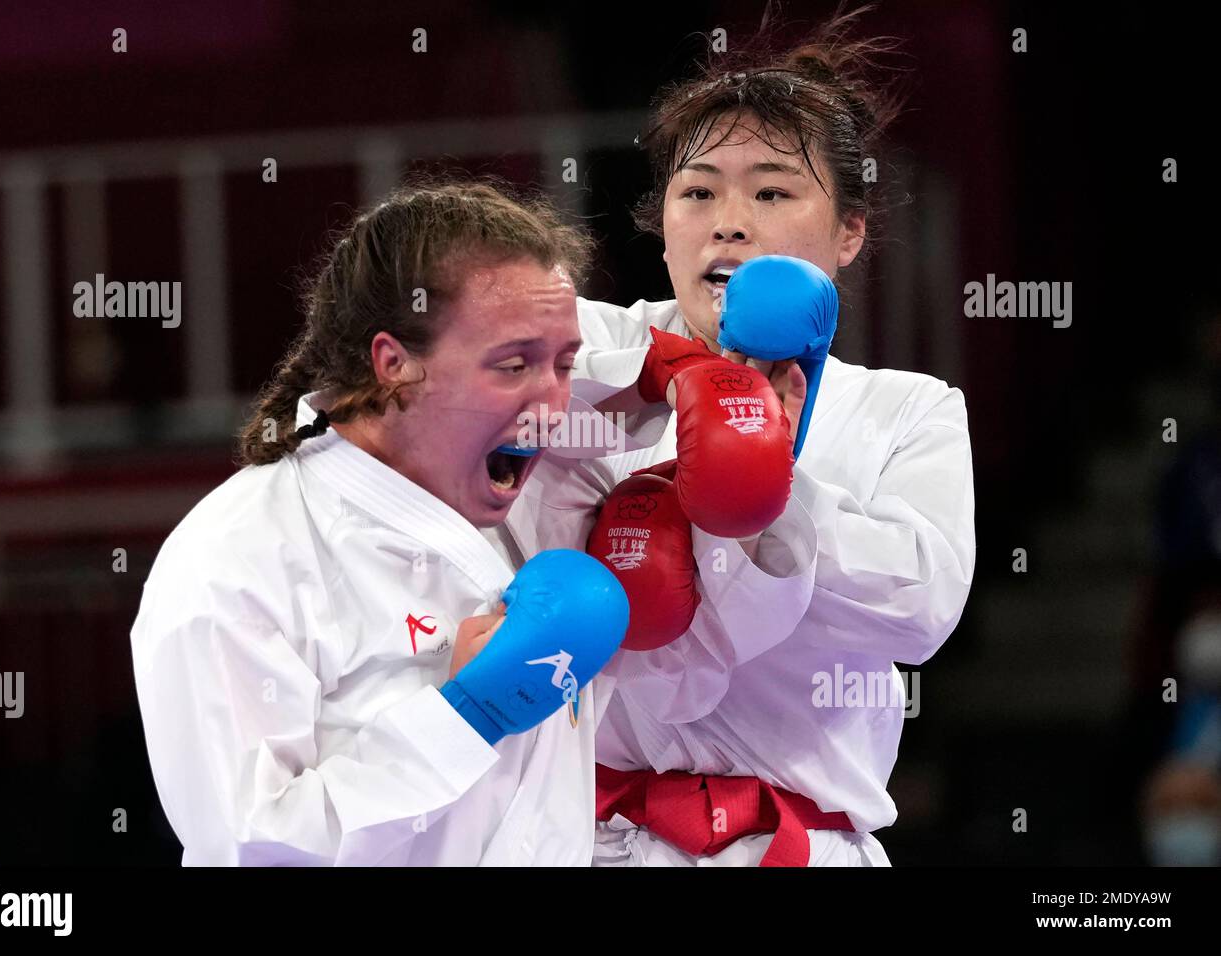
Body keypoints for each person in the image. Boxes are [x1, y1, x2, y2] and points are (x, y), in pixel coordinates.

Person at [501, 11, 976, 866]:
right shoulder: (584, 352)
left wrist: (766, 480)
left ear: (849, 232)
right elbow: (407, 401)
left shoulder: (908, 410)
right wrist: (660, 388)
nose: (729, 221)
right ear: (664, 222)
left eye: (771, 192)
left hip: (797, 846)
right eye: (699, 192)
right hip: (584, 838)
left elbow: (922, 615)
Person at [130, 180, 628, 866]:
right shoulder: (236, 561)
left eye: (563, 364)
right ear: (394, 364)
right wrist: (465, 717)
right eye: (512, 366)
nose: (551, 404)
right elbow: (248, 845)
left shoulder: (542, 508)